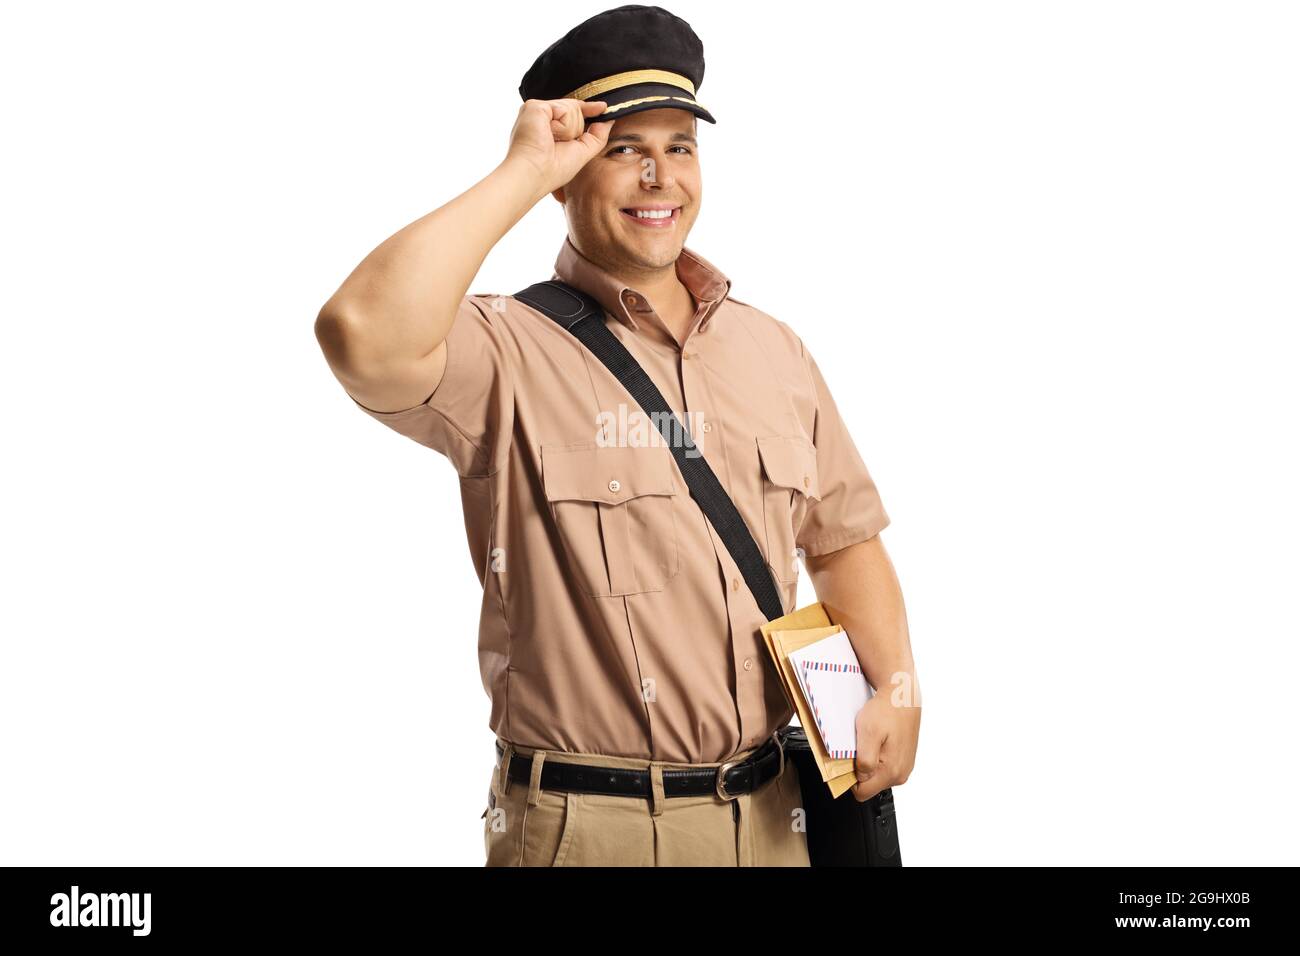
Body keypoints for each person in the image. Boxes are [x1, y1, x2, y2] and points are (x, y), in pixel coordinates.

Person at [314, 4, 921, 866]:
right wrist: (523, 169)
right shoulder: (506, 353)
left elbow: (844, 536)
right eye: (624, 148)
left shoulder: (771, 348)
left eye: (680, 146)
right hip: (590, 832)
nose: (658, 176)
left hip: (778, 817)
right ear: (567, 173)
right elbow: (360, 333)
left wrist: (897, 687)